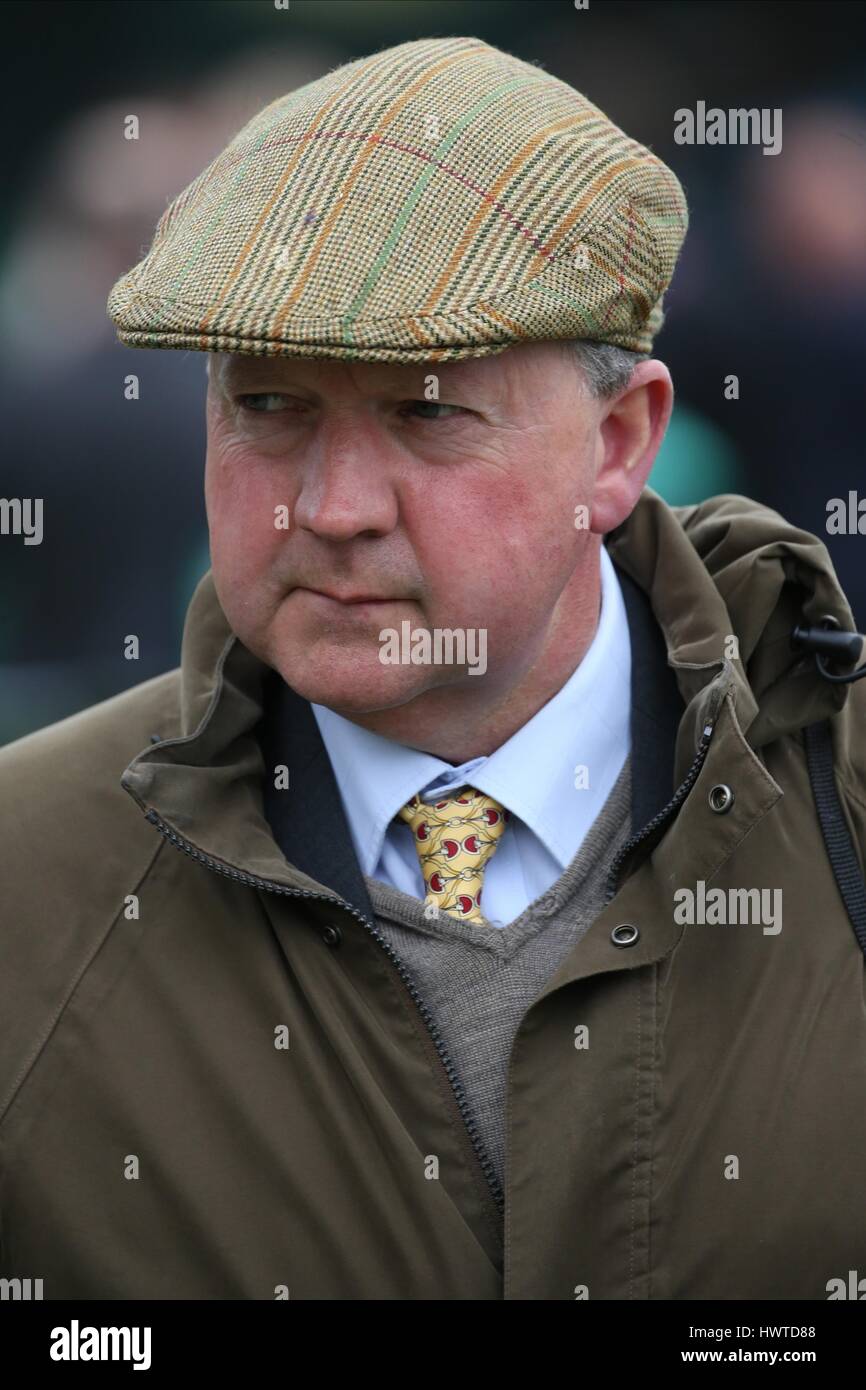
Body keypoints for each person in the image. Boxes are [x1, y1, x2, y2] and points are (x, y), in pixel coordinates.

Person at [2, 35, 866, 1302]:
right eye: (267, 407)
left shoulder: (839, 802)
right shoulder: (29, 888)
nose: (334, 508)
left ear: (617, 444)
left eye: (424, 412)